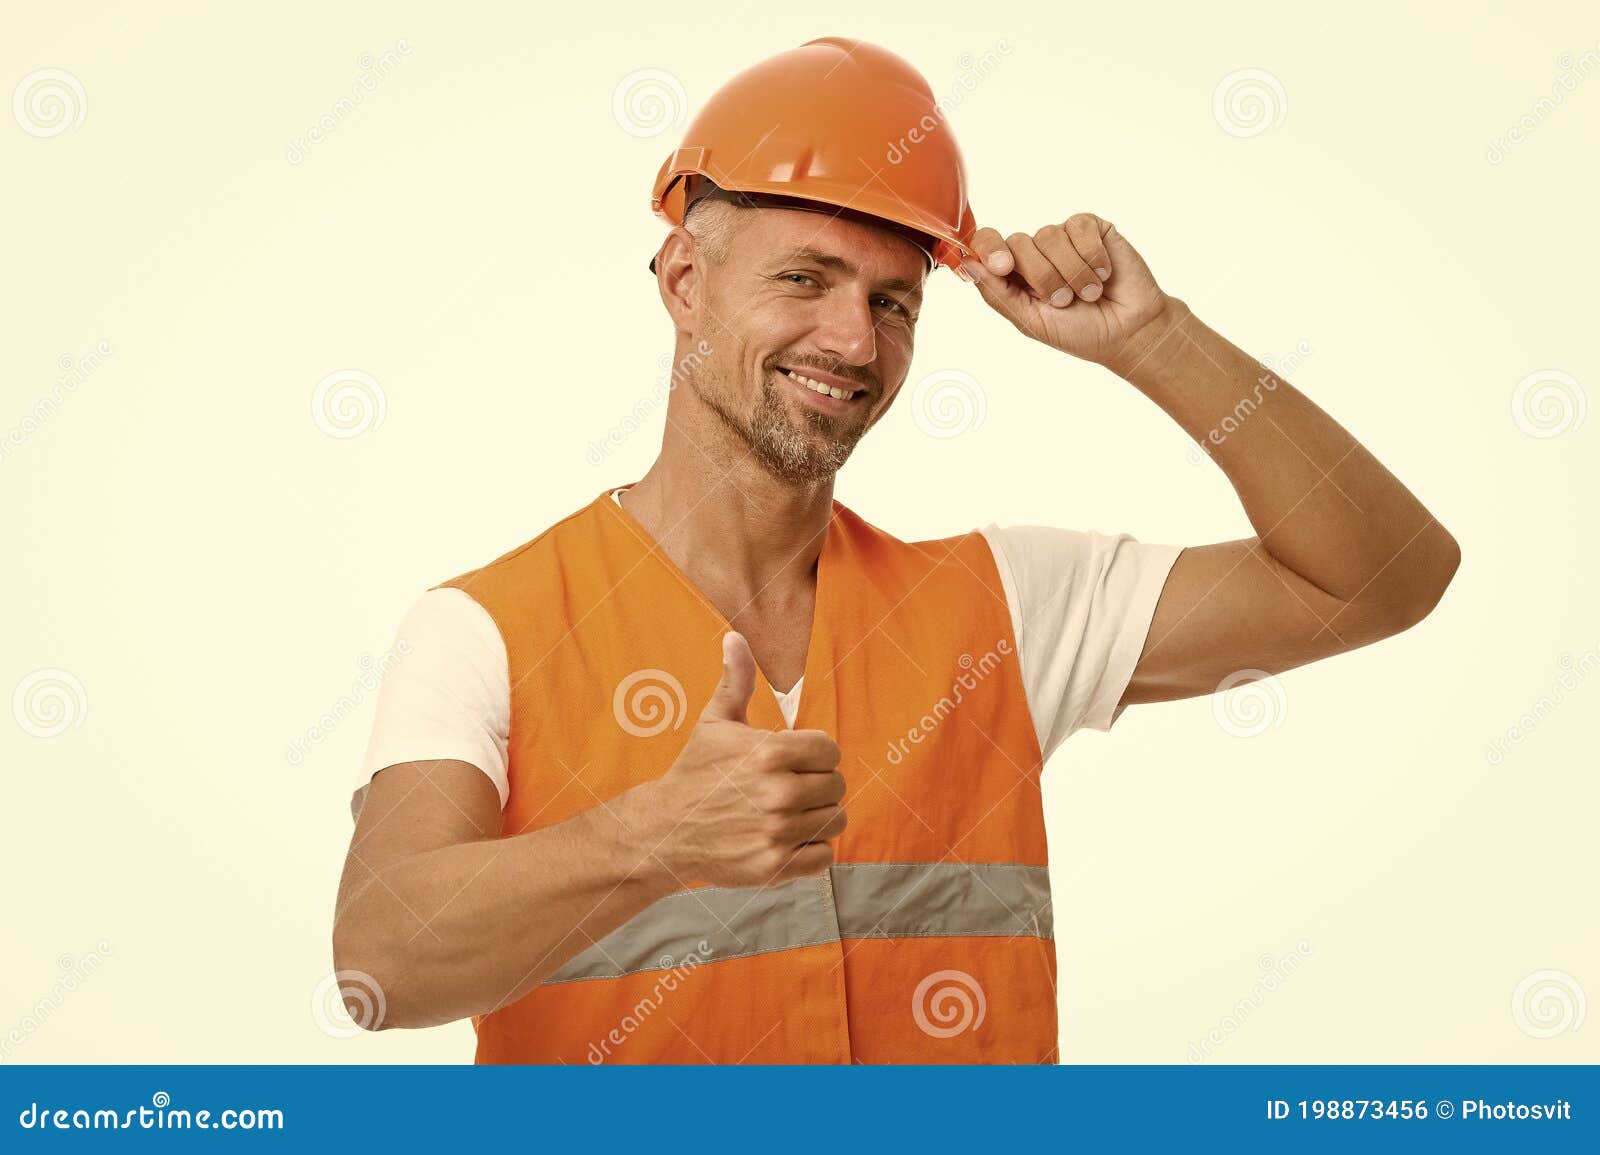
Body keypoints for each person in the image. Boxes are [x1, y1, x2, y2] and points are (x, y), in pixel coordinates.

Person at [332, 37, 1459, 1063]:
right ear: (684, 283)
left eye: (895, 302)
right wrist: (647, 839)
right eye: (803, 278)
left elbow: (1383, 575)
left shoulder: (1007, 605)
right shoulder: (484, 629)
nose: (852, 339)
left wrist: (1153, 341)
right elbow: (379, 967)